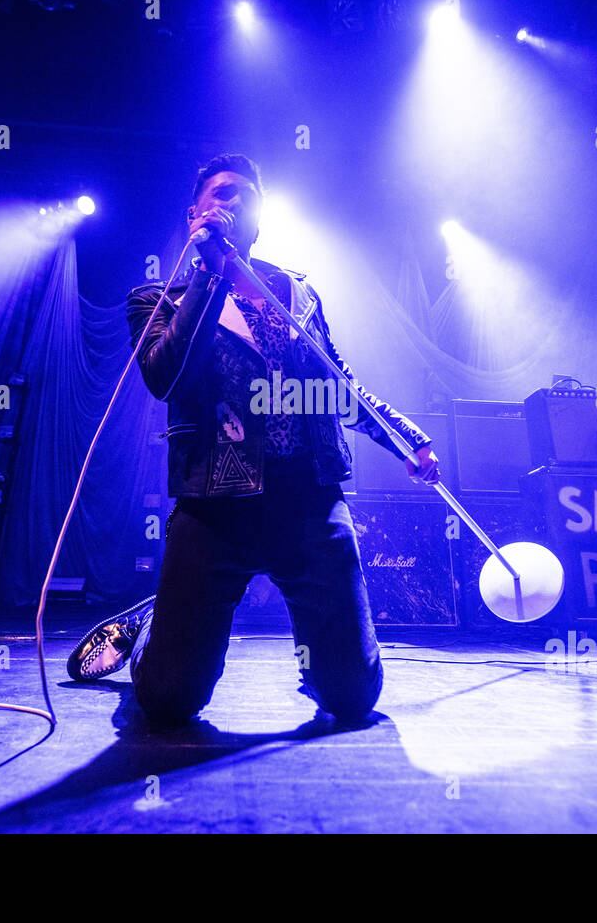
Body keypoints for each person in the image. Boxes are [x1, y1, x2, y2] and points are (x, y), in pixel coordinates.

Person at [69, 153, 440, 726]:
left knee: (352, 695)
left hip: (310, 501)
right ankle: (148, 631)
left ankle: (317, 664)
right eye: (220, 194)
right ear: (195, 213)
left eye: (245, 196)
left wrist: (406, 440)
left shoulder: (298, 294)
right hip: (215, 509)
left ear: (261, 220)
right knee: (169, 701)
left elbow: (337, 386)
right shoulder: (156, 299)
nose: (233, 204)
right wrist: (210, 273)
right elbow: (167, 377)